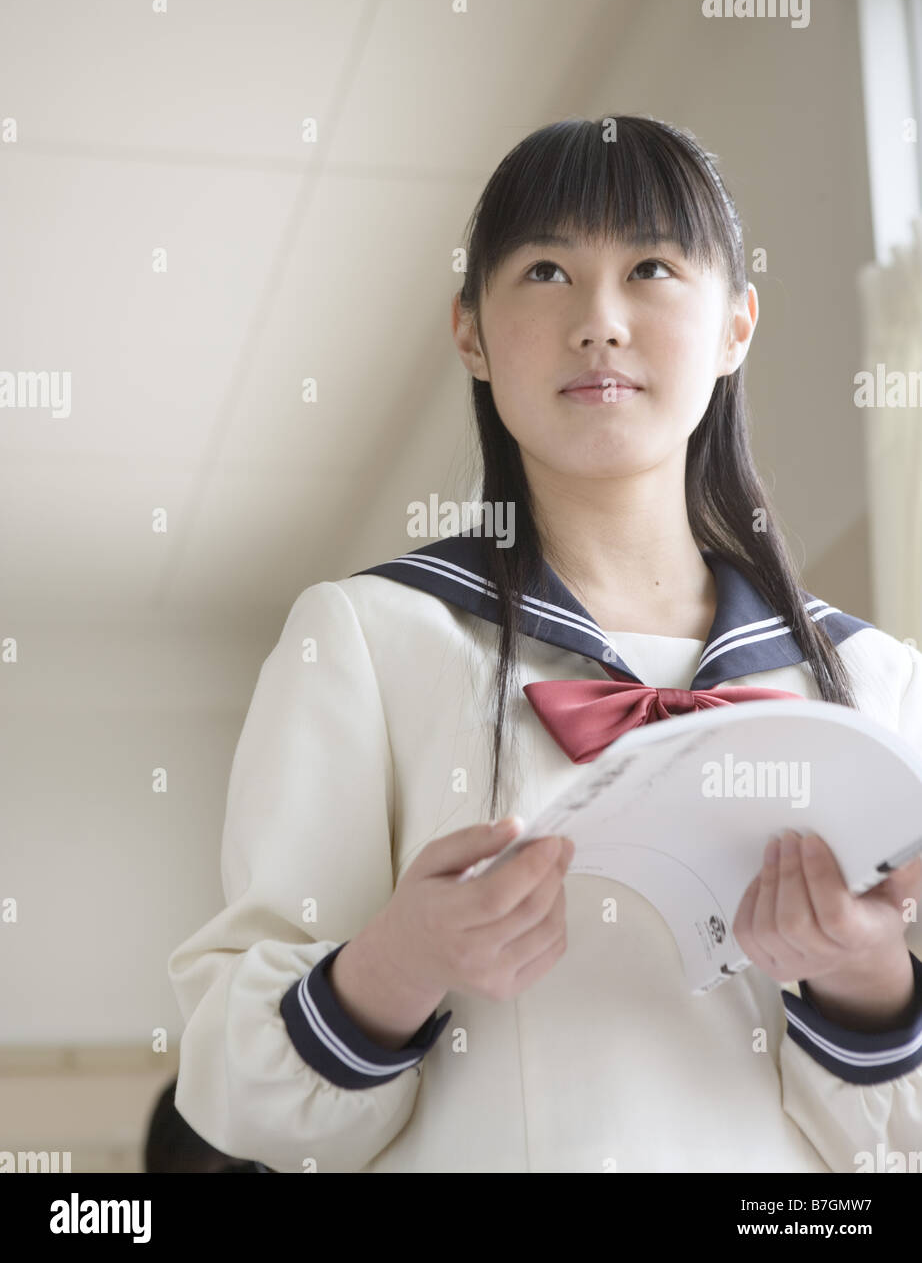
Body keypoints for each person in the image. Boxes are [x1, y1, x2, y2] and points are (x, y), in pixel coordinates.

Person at [167, 115, 922, 1174]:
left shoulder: (878, 684)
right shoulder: (369, 640)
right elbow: (232, 1097)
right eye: (545, 271)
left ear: (736, 327)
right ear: (469, 331)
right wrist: (400, 960)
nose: (599, 321)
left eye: (651, 267)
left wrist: (867, 979)